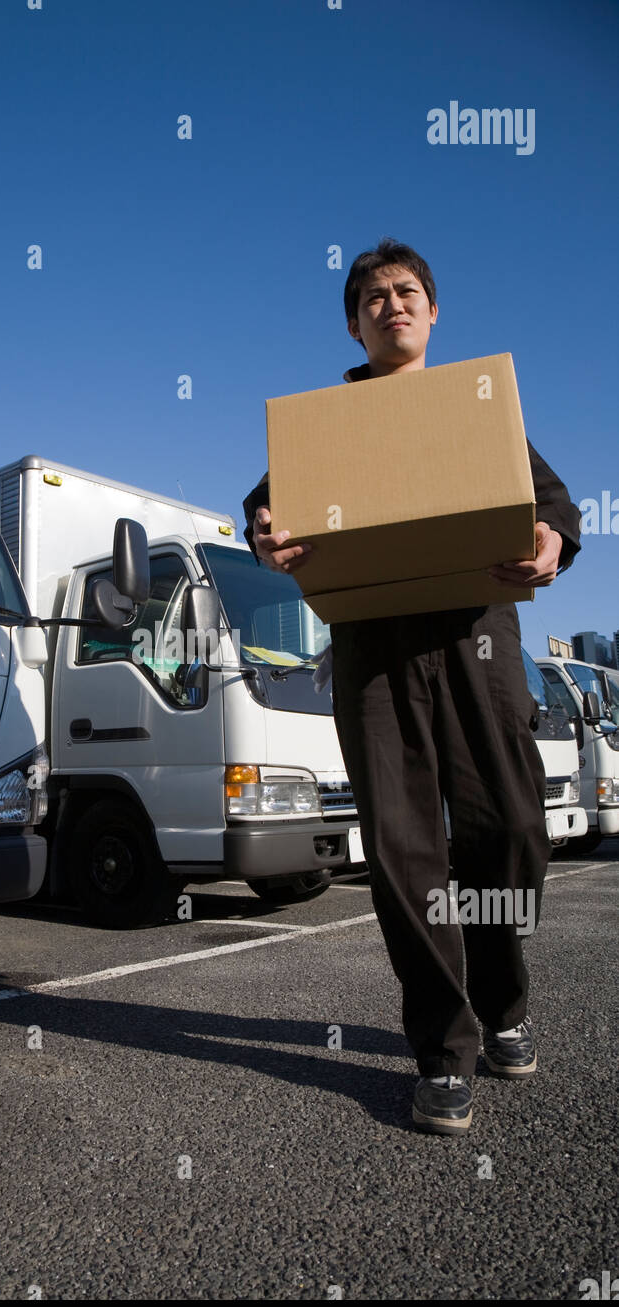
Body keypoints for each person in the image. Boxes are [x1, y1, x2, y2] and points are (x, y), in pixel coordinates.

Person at [242, 239, 581, 1136]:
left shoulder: (476, 408)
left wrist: (550, 542)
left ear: (434, 314)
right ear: (355, 323)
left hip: (475, 642)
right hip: (374, 657)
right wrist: (265, 536)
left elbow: (554, 506)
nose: (392, 305)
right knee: (402, 852)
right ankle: (444, 1048)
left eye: (408, 292)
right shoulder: (327, 428)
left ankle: (505, 1002)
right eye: (374, 297)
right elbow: (267, 508)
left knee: (508, 831)